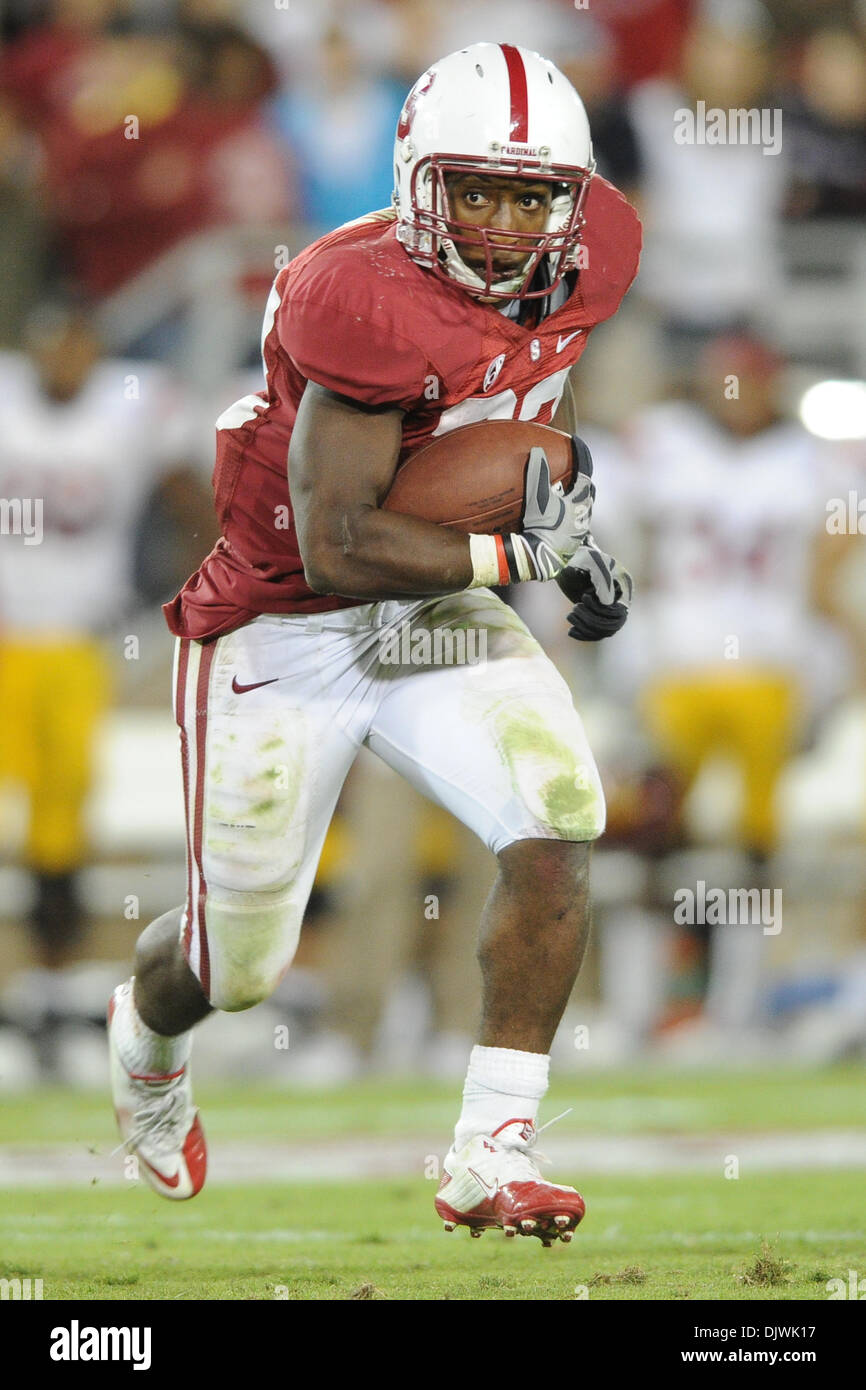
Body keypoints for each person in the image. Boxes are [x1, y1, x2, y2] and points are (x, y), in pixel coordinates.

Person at [107, 42, 641, 1243]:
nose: (506, 225)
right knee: (233, 965)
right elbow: (342, 542)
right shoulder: (354, 294)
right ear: (414, 181)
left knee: (559, 818)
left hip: (427, 611)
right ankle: (146, 1044)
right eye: (476, 191)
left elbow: (517, 417)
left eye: (531, 195)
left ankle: (490, 1148)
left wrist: (560, 507)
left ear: (573, 193)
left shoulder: (597, 247)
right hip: (285, 616)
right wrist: (520, 555)